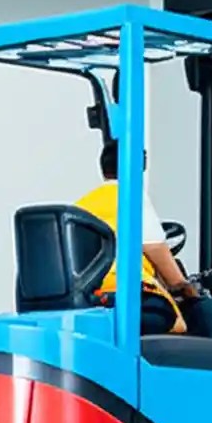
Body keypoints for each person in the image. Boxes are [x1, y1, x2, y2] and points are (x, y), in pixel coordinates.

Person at [76, 139, 198, 335]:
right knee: (195, 316)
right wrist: (190, 290)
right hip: (131, 297)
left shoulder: (82, 205)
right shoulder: (130, 198)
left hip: (90, 297)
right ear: (140, 167)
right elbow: (161, 258)